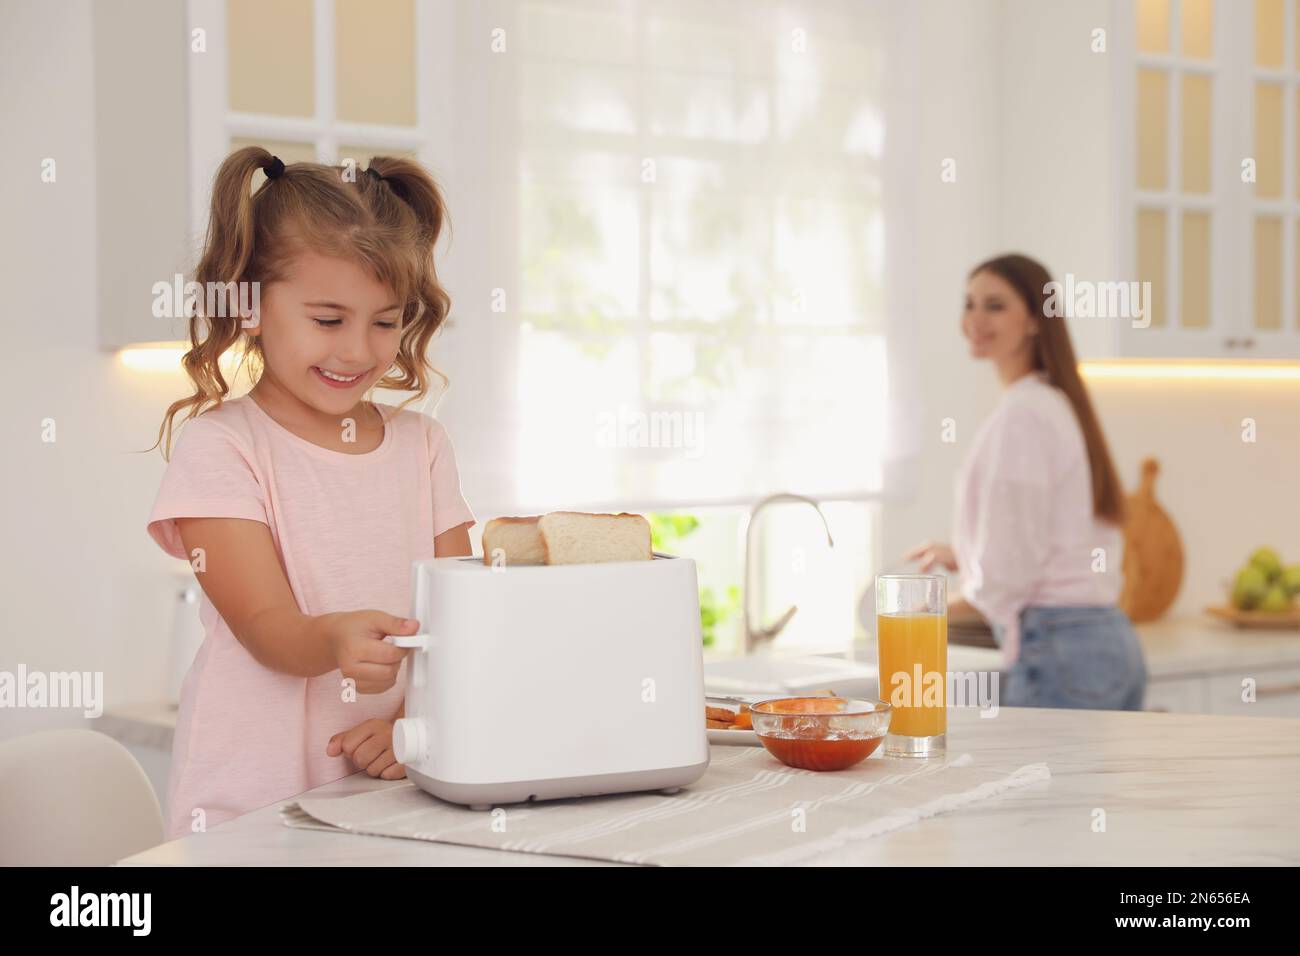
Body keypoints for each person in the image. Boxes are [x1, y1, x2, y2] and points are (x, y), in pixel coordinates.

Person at [146, 147, 474, 837]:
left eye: (385, 322)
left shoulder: (423, 445)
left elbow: (460, 621)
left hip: (395, 793)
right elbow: (267, 629)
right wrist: (331, 639)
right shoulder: (225, 448)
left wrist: (414, 724)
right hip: (254, 805)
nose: (359, 351)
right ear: (250, 304)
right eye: (328, 319)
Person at [909, 253, 1147, 710]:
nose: (975, 319)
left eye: (995, 306)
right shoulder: (1052, 403)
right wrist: (965, 555)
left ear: (1037, 320)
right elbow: (1048, 539)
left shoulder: (1022, 416)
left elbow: (1008, 575)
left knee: (1042, 786)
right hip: (1107, 646)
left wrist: (918, 611)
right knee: (1082, 787)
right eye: (970, 303)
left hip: (1061, 650)